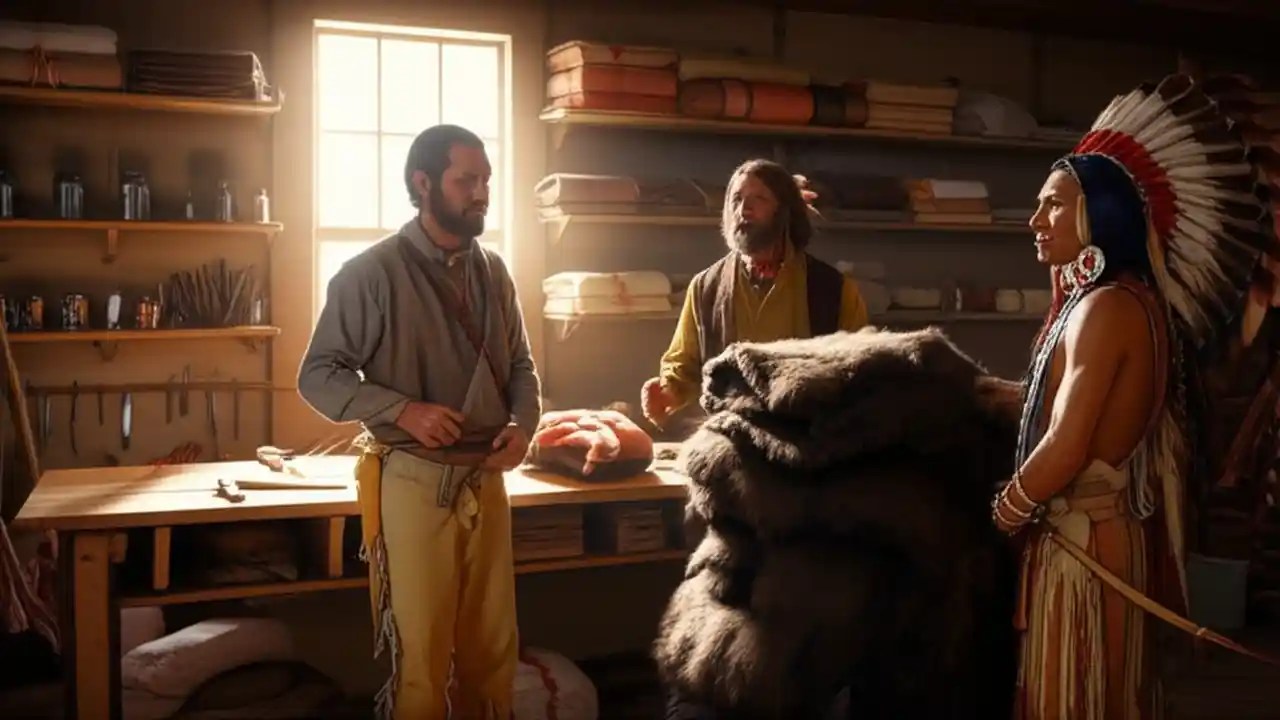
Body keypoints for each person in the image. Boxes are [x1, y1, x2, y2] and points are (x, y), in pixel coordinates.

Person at [990, 74, 1272, 719]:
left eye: (1053, 205)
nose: (1035, 221)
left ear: (1102, 215)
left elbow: (1066, 442)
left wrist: (1004, 515)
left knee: (1077, 698)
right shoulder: (1125, 303)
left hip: (1084, 544)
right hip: (1102, 534)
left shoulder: (1104, 309)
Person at [297, 124, 541, 720]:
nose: (481, 192)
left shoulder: (495, 272)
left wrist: (525, 425)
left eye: (485, 180)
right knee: (422, 663)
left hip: (488, 479)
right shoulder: (370, 274)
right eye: (467, 180)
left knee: (494, 654)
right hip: (413, 480)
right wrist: (402, 409)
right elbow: (318, 375)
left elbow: (521, 367)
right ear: (423, 183)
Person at [641, 158, 869, 427]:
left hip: (810, 438)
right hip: (730, 435)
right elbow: (684, 365)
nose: (744, 208)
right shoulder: (706, 287)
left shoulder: (832, 289)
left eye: (758, 198)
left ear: (784, 210)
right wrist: (667, 393)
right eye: (736, 199)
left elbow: (861, 369)